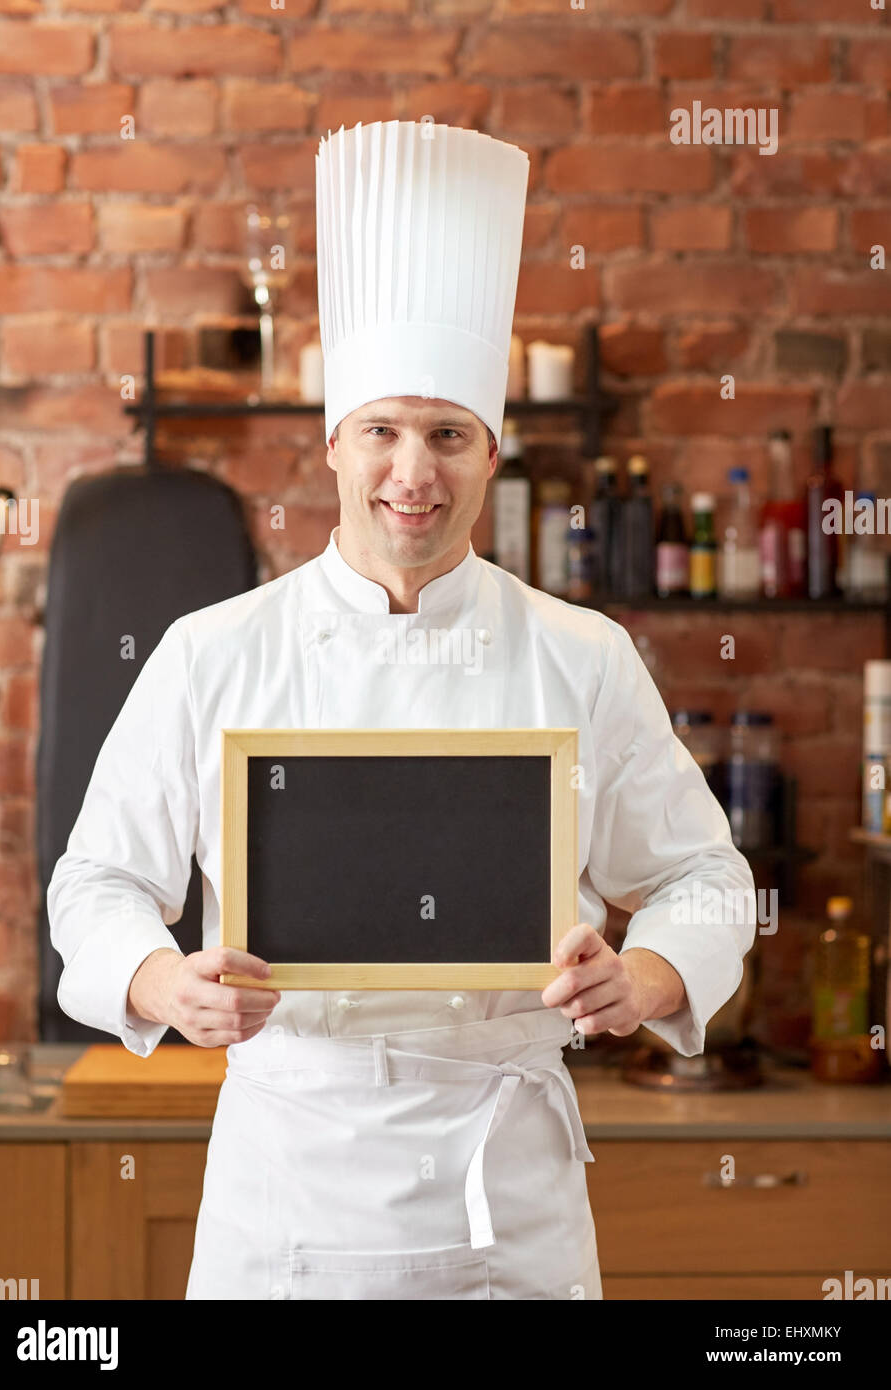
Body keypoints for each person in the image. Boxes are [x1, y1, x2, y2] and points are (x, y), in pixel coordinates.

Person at [48, 121, 755, 1300]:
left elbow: (710, 882)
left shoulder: (582, 656)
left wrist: (647, 980)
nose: (411, 473)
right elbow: (94, 885)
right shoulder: (212, 653)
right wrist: (164, 986)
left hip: (508, 1201)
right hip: (289, 1194)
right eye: (381, 430)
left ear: (491, 453)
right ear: (332, 445)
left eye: (446, 435)